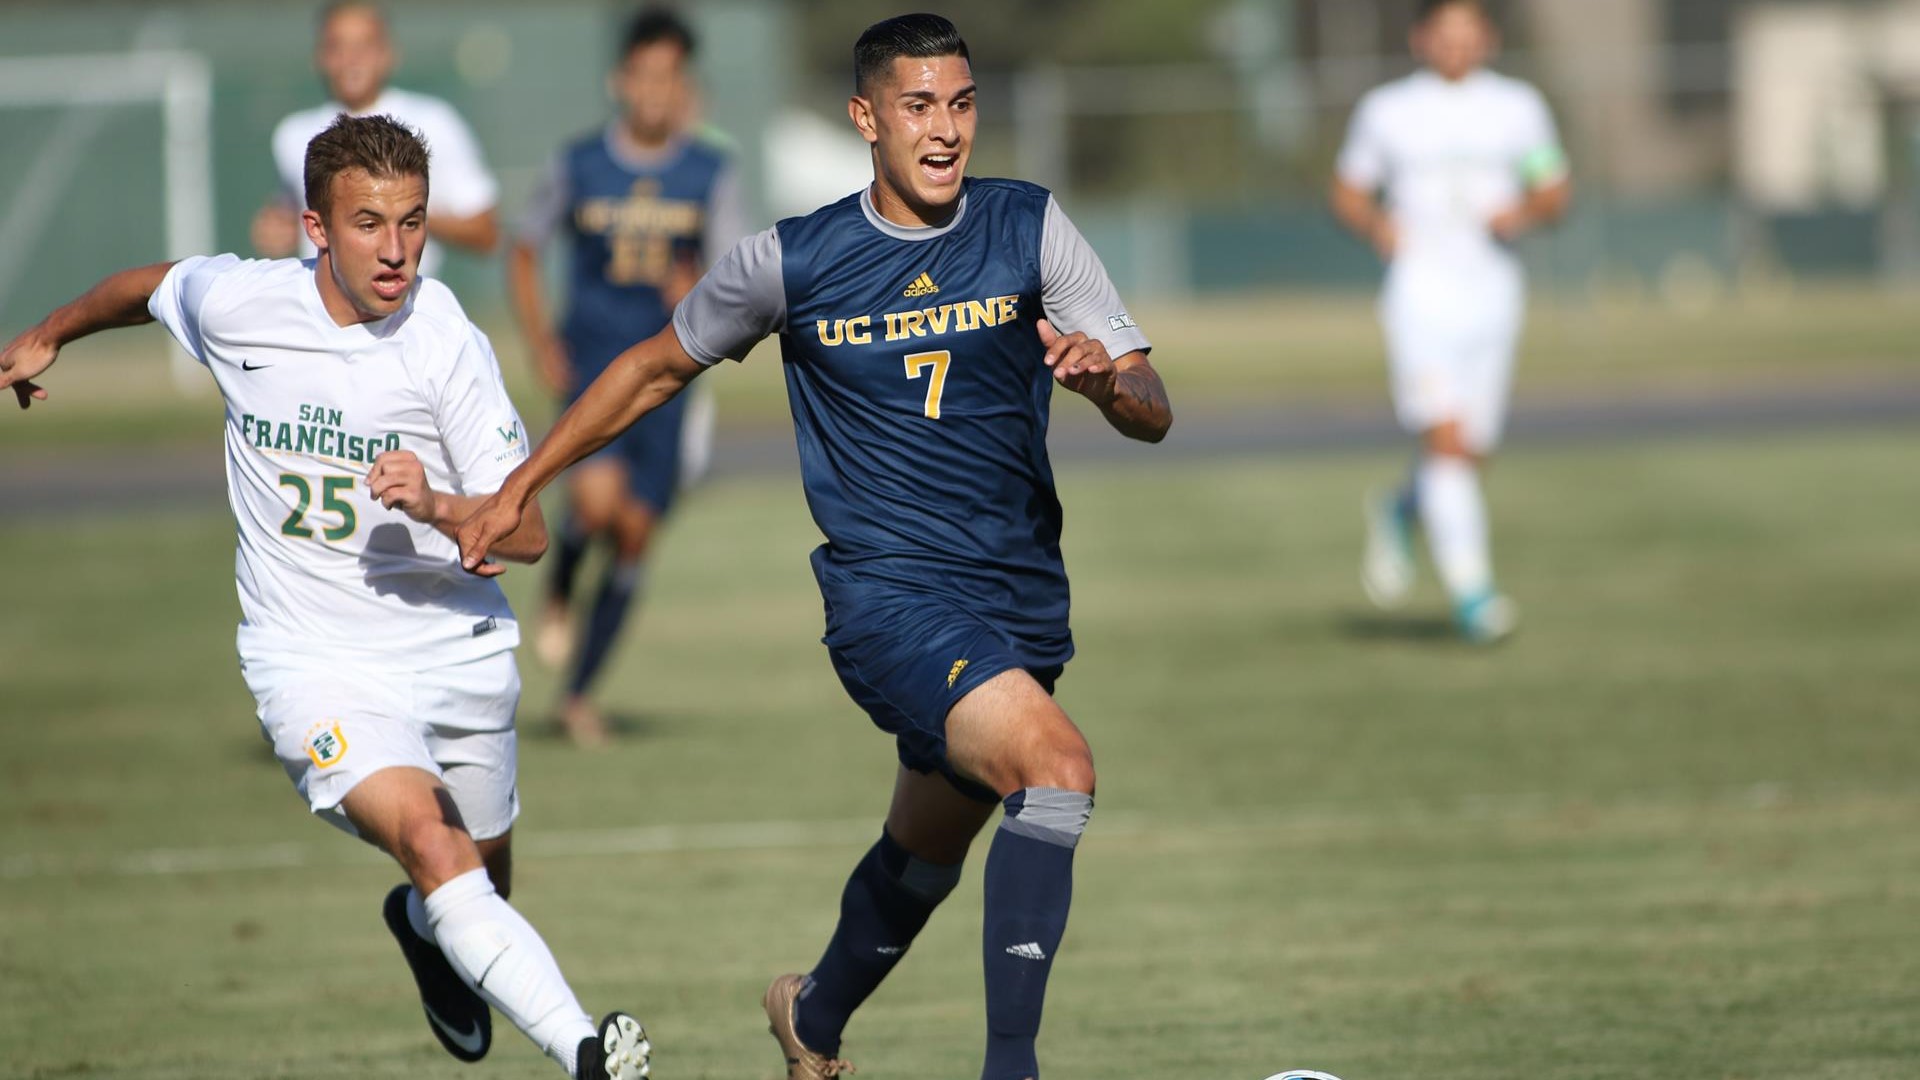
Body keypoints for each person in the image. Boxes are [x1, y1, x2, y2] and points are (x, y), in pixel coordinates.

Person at [458, 13, 1171, 1079]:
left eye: (962, 104)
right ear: (865, 118)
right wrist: (520, 485)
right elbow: (652, 368)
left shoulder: (1030, 228)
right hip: (887, 601)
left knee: (925, 854)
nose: (946, 130)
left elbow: (1153, 405)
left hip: (1020, 603)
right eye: (918, 106)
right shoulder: (793, 260)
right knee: (1056, 770)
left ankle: (813, 1017)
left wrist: (1111, 382)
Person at [0, 115, 647, 1080]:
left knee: (475, 885)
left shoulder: (448, 347)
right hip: (315, 665)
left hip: (457, 651)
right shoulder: (240, 304)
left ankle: (429, 936)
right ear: (315, 226)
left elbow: (527, 534)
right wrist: (47, 334)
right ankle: (590, 1054)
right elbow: (148, 287)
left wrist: (437, 504)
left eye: (414, 223)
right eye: (368, 223)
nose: (395, 251)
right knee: (434, 844)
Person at [507, 7, 746, 746]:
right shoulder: (580, 163)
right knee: (599, 505)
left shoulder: (710, 171)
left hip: (670, 378)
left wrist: (699, 291)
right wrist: (541, 338)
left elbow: (737, 270)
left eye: (668, 77)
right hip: (593, 368)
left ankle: (578, 694)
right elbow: (522, 247)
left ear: (685, 88)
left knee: (637, 536)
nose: (653, 90)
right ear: (619, 80)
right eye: (642, 74)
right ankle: (557, 586)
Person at [1331, 0, 1571, 643]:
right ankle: (1476, 596)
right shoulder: (1388, 110)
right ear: (1421, 39)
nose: (1457, 45)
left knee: (1470, 451)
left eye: (1469, 33)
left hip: (1494, 296)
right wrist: (1377, 222)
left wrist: (1522, 211)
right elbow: (1349, 189)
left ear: (1488, 38)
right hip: (1420, 297)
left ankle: (1400, 507)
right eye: (1445, 34)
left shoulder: (1519, 106)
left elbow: (1553, 189)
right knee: (1446, 440)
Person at [252, 1, 499, 275]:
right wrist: (280, 228)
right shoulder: (292, 134)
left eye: (364, 46)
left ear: (388, 53)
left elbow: (485, 232)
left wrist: (399, 214)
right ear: (319, 56)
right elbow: (294, 215)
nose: (351, 59)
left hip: (404, 308)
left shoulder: (433, 120)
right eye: (337, 47)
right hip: (323, 311)